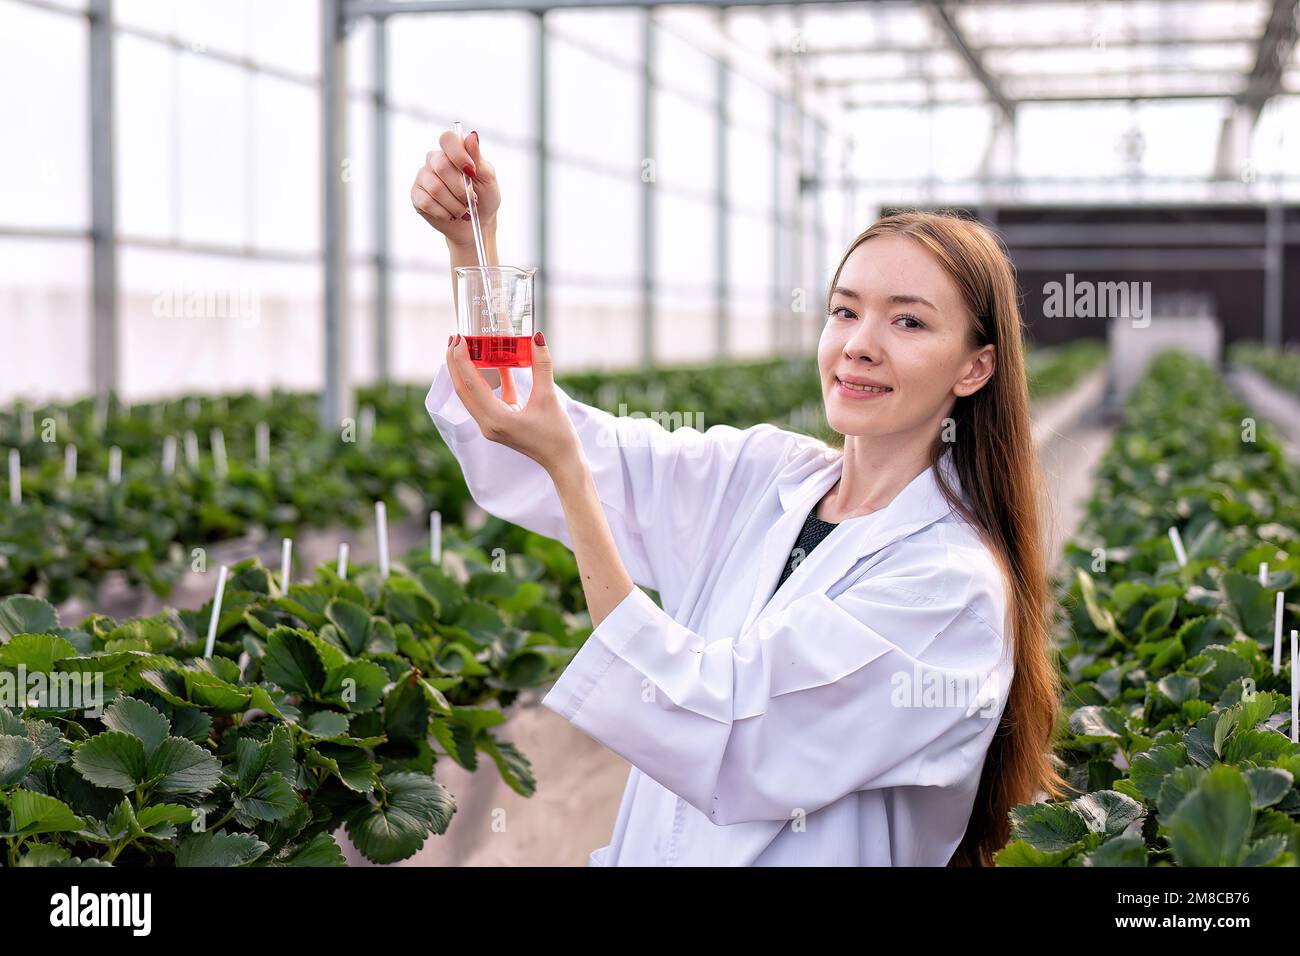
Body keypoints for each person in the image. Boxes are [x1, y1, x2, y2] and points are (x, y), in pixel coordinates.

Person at [410, 129, 1065, 866]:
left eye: (908, 321)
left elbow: (720, 730)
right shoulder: (766, 477)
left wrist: (566, 469)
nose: (859, 344)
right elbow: (558, 441)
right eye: (845, 311)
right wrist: (475, 248)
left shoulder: (950, 591)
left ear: (975, 368)